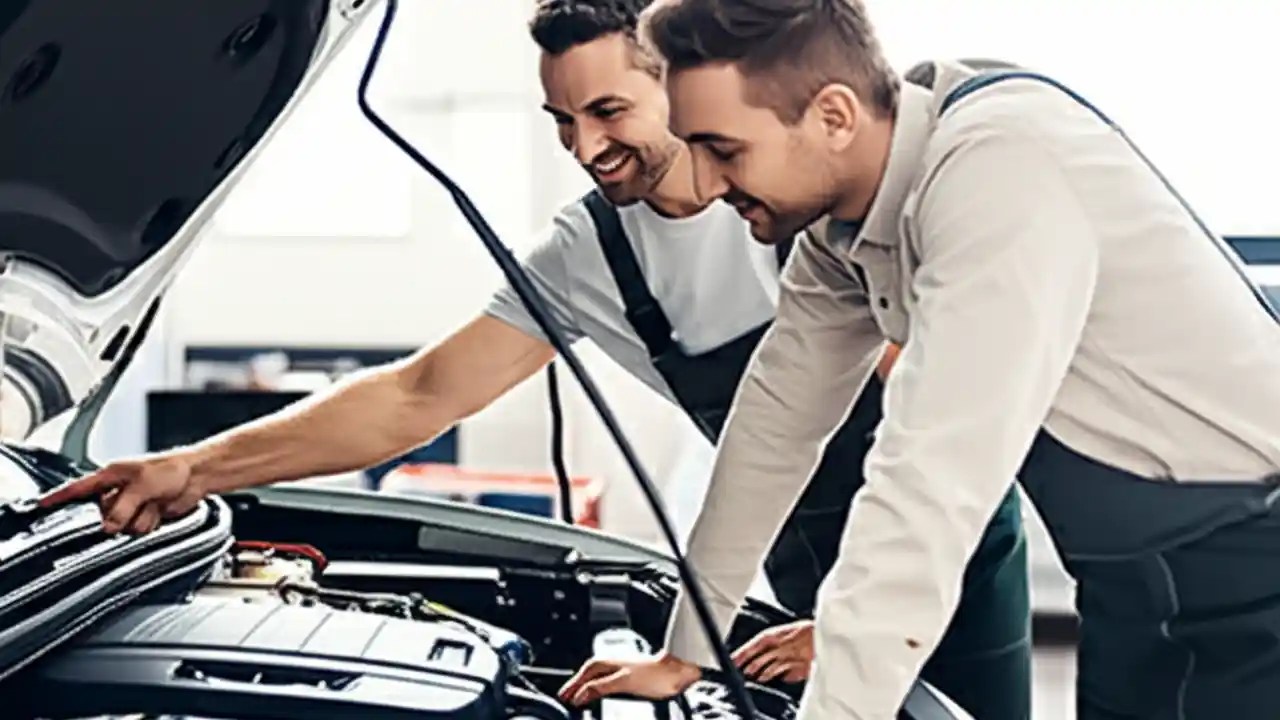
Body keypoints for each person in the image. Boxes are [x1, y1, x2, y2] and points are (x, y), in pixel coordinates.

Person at [41, 3, 1029, 717]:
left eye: (608, 111)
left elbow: (935, 438)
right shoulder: (590, 250)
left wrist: (860, 621)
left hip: (938, 544)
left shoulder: (815, 191)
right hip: (791, 557)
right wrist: (191, 469)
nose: (584, 147)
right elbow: (415, 397)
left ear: (679, 85)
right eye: (561, 121)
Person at [556, 0, 1280, 718]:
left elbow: (927, 486)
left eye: (725, 149)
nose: (707, 184)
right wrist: (691, 649)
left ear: (834, 116)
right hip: (1133, 587)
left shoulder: (998, 174)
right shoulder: (845, 232)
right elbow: (770, 431)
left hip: (1253, 574)